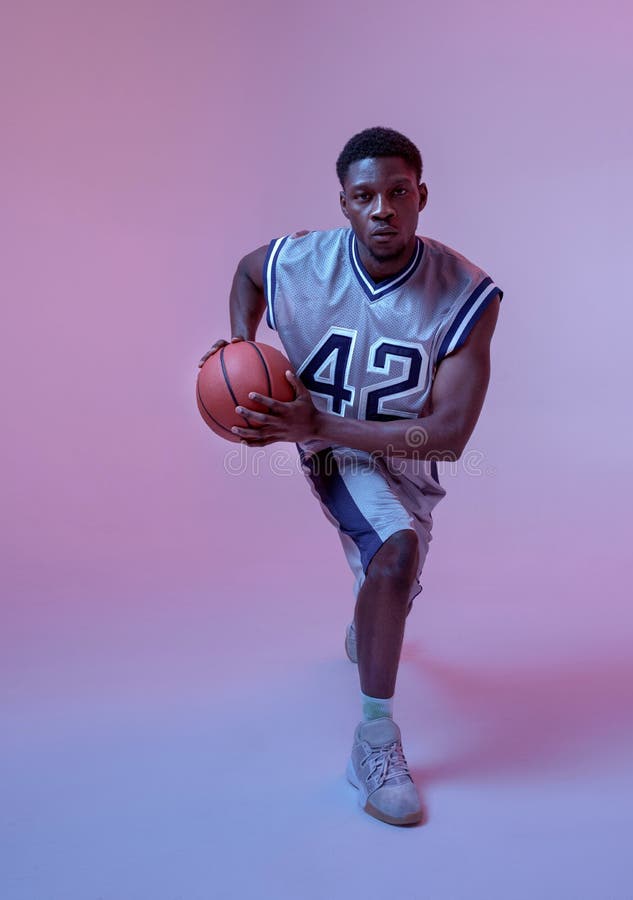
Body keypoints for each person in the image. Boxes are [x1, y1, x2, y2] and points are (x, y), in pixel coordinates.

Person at [198, 126, 503, 826]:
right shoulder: (301, 259)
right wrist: (243, 345)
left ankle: (369, 625)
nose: (383, 210)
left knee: (395, 580)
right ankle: (373, 739)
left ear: (421, 195)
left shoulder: (467, 294)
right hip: (336, 450)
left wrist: (316, 424)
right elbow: (249, 272)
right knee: (394, 559)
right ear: (343, 204)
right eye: (365, 196)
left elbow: (450, 437)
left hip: (404, 451)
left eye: (398, 193)